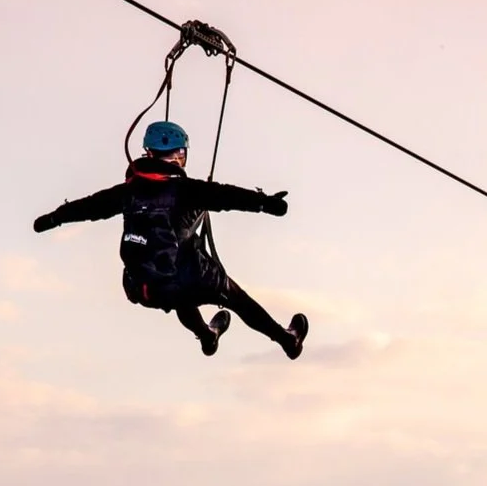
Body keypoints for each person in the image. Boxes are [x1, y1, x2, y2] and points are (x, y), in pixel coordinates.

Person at [32, 121, 307, 359]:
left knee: (177, 294)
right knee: (234, 297)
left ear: (148, 153)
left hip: (142, 288)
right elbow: (227, 196)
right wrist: (266, 203)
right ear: (178, 155)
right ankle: (288, 340)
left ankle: (207, 335)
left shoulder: (126, 192)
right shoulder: (185, 190)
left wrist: (54, 218)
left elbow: (88, 207)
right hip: (190, 279)